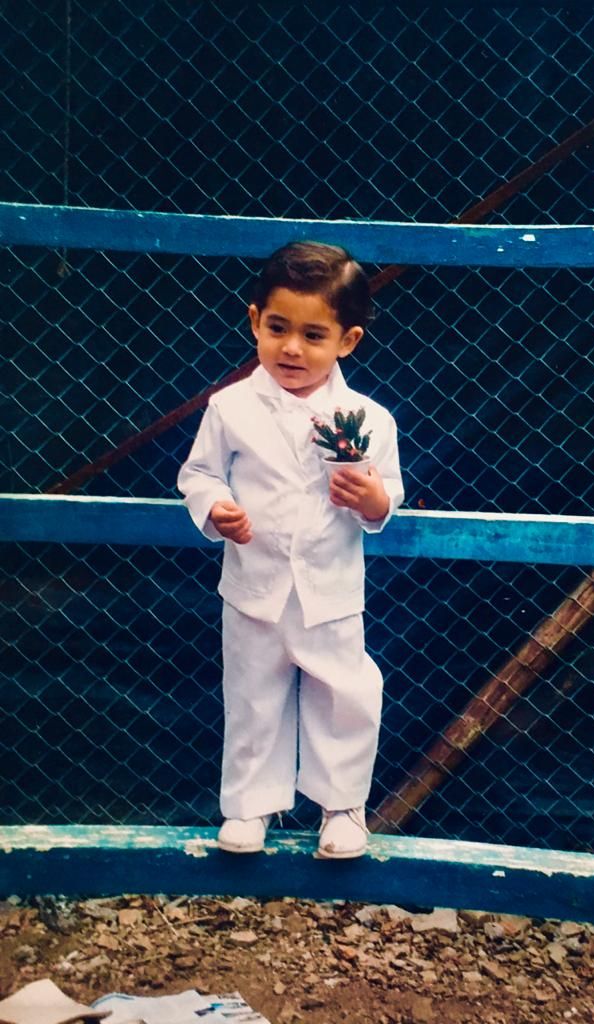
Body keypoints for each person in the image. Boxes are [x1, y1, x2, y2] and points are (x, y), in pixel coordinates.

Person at [178, 241, 403, 859]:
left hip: (329, 588)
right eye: (278, 328)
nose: (292, 349)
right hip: (253, 583)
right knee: (253, 695)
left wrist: (371, 499)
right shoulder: (229, 408)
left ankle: (342, 807)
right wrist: (215, 508)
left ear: (347, 341)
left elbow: (390, 499)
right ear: (255, 321)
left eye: (313, 334)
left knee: (344, 694)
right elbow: (197, 474)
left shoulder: (369, 419)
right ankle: (251, 806)